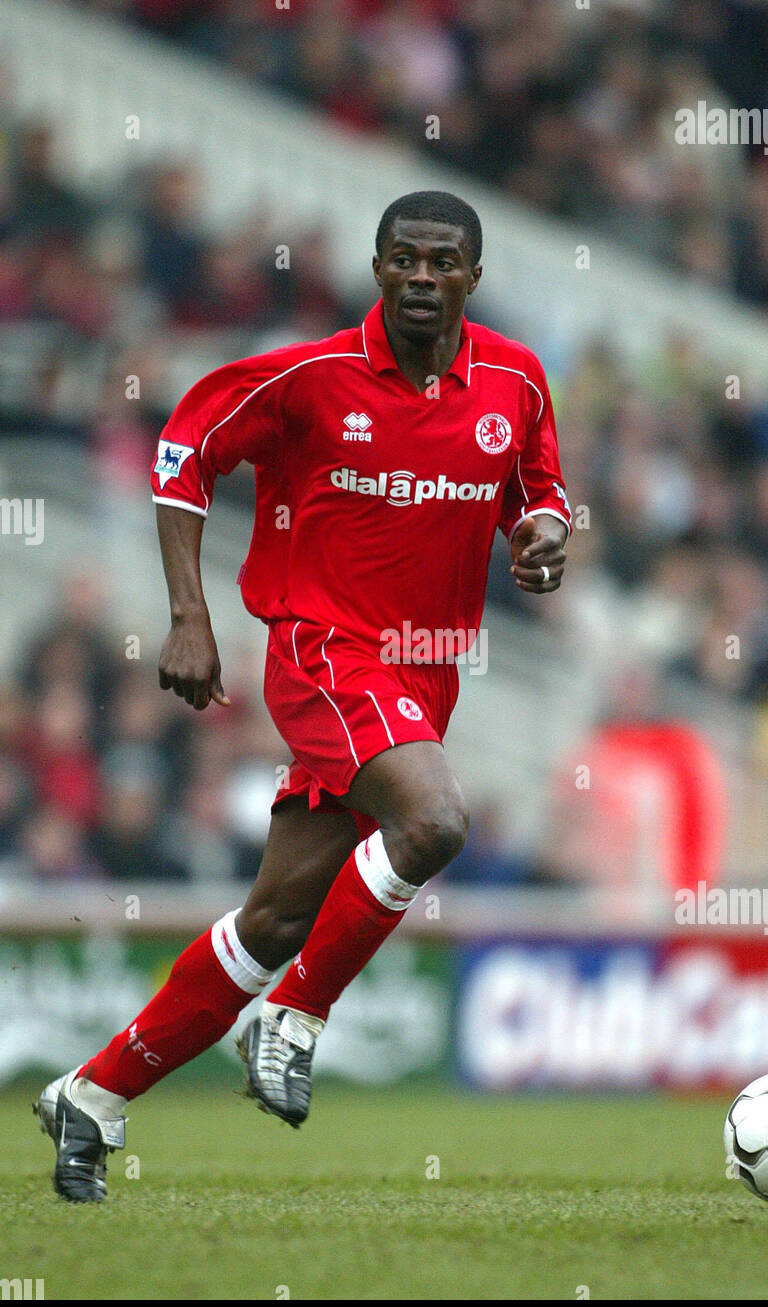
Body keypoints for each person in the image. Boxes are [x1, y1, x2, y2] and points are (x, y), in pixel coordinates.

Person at [34, 190, 572, 1202]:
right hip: (323, 649)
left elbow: (535, 490)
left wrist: (541, 536)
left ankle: (92, 1097)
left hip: (424, 676)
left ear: (472, 277)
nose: (421, 275)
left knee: (274, 918)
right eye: (402, 258)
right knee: (437, 819)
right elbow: (181, 451)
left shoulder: (515, 379)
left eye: (441, 261)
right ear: (375, 268)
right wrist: (188, 615)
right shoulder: (310, 377)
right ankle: (296, 1020)